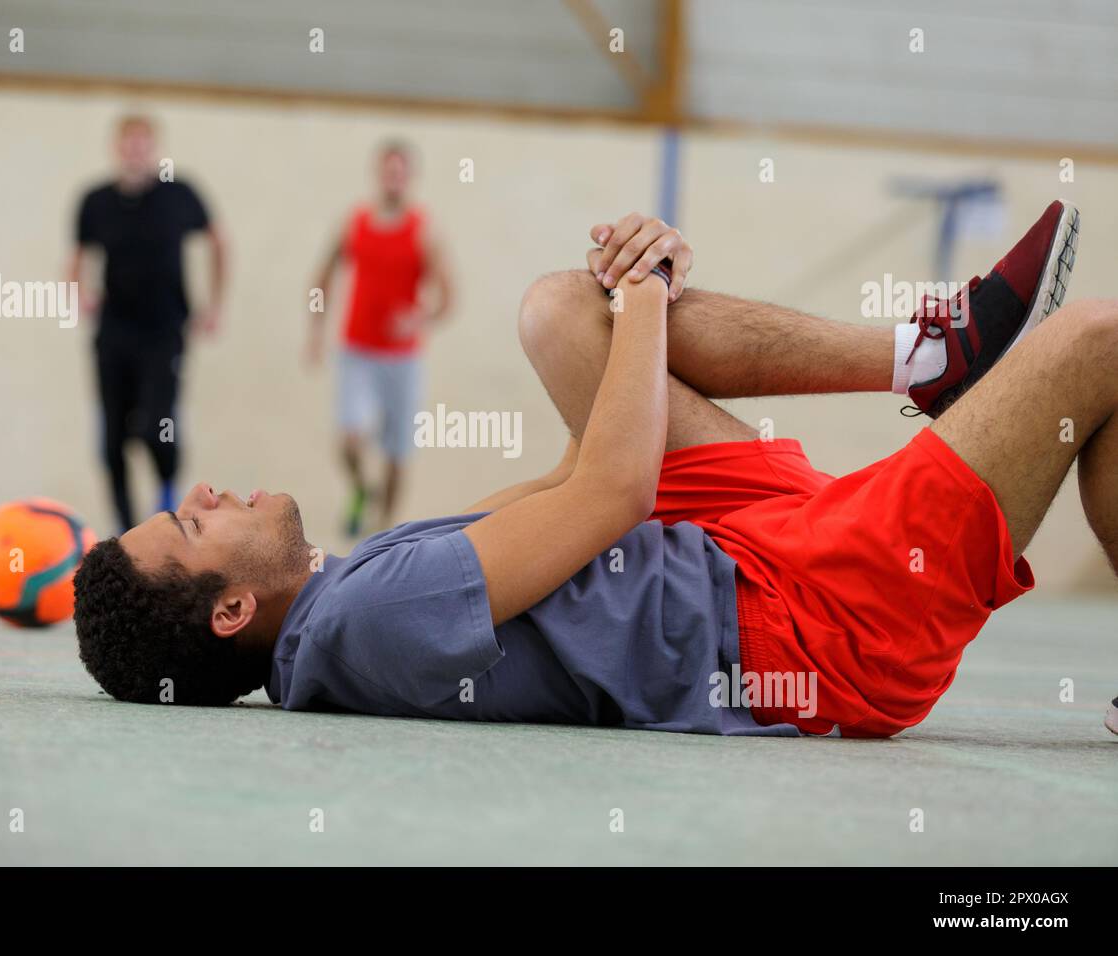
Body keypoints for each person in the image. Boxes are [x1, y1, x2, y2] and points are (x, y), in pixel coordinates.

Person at [72, 200, 1112, 739]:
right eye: (192, 524)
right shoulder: (368, 618)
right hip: (807, 618)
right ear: (230, 611)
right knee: (1097, 342)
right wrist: (650, 286)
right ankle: (941, 358)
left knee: (559, 311)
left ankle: (930, 357)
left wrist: (619, 302)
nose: (203, 492)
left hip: (728, 545)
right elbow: (614, 491)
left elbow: (573, 476)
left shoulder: (342, 596)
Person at [70, 114, 227, 533]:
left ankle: (167, 495)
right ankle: (126, 531)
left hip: (164, 332)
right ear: (117, 148)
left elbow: (218, 242)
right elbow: (78, 256)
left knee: (157, 424)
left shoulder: (179, 195)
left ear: (154, 149)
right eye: (129, 143)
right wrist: (79, 294)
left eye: (143, 144)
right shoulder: (96, 201)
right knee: (112, 440)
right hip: (114, 333)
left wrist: (214, 305)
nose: (135, 152)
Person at [306, 140, 454, 535]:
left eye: (400, 173)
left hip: (403, 360)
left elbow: (448, 297)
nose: (394, 179)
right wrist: (316, 332)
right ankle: (360, 489)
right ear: (377, 173)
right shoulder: (354, 223)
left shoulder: (424, 231)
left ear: (411, 177)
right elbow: (322, 277)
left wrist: (418, 317)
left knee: (396, 452)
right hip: (357, 351)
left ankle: (384, 532)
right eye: (388, 171)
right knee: (349, 441)